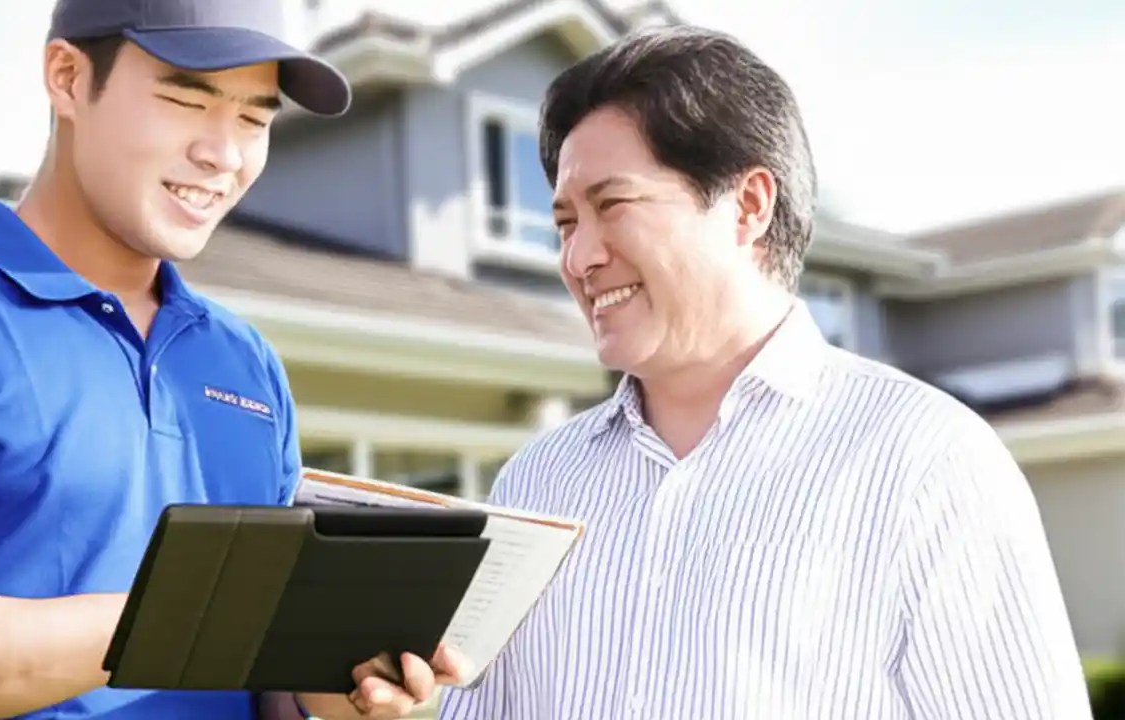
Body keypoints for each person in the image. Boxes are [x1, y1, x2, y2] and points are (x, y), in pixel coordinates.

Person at [438, 25, 1093, 720]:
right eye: (566, 222)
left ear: (749, 205)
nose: (578, 258)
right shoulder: (535, 485)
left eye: (614, 205)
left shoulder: (928, 463)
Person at [0, 1, 465, 718]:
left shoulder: (247, 364)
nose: (224, 155)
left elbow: (261, 681)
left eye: (255, 120)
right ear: (68, 77)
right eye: (184, 99)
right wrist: (183, 616)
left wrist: (341, 693)